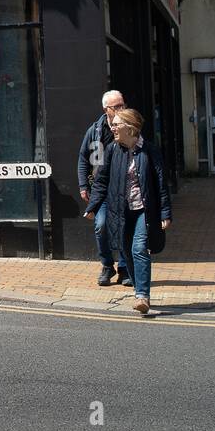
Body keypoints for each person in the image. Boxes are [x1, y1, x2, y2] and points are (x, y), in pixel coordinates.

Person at [85, 108, 172, 315]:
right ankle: (137, 288)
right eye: (112, 124)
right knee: (125, 250)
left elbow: (161, 183)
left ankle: (143, 295)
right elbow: (101, 181)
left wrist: (165, 212)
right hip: (120, 210)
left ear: (130, 128)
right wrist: (93, 207)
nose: (113, 128)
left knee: (139, 248)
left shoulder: (149, 151)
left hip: (144, 209)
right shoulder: (113, 150)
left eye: (117, 124)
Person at [77, 90, 127, 286]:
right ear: (106, 109)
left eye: (123, 104)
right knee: (101, 225)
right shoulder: (95, 131)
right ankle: (107, 265)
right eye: (117, 106)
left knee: (124, 227)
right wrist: (83, 185)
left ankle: (124, 268)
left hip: (124, 187)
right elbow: (83, 159)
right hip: (101, 190)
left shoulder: (128, 127)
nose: (121, 109)